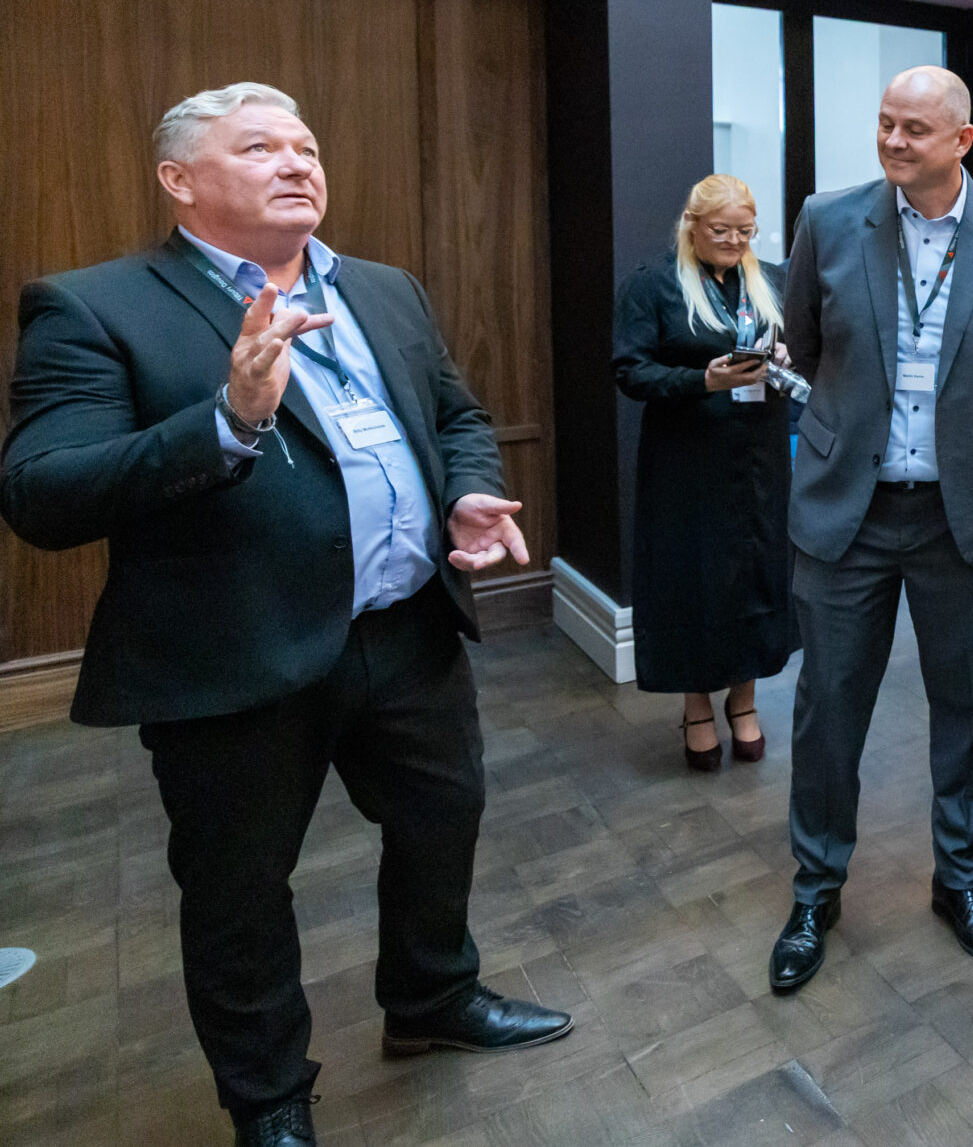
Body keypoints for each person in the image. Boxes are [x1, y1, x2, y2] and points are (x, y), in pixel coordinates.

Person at [1, 83, 569, 1147]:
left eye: (306, 144)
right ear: (180, 179)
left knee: (442, 822)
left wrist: (466, 488)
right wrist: (227, 421)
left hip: (406, 631)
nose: (298, 161)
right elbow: (43, 492)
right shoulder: (96, 305)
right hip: (236, 655)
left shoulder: (387, 288)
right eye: (259, 145)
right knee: (239, 892)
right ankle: (268, 1098)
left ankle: (431, 999)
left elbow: (454, 413)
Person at [768, 66, 973, 992]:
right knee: (827, 713)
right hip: (844, 513)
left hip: (959, 515)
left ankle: (960, 883)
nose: (895, 143)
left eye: (916, 130)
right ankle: (816, 890)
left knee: (965, 707)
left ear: (963, 141)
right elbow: (807, 347)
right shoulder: (828, 217)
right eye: (886, 124)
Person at [612, 174, 797, 771]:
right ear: (692, 225)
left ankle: (744, 702)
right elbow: (631, 372)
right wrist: (704, 380)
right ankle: (696, 706)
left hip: (760, 458)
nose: (736, 242)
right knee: (695, 582)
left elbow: (809, 348)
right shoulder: (653, 284)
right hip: (687, 461)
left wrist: (790, 355)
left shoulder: (771, 278)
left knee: (755, 576)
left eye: (746, 231)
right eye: (722, 232)